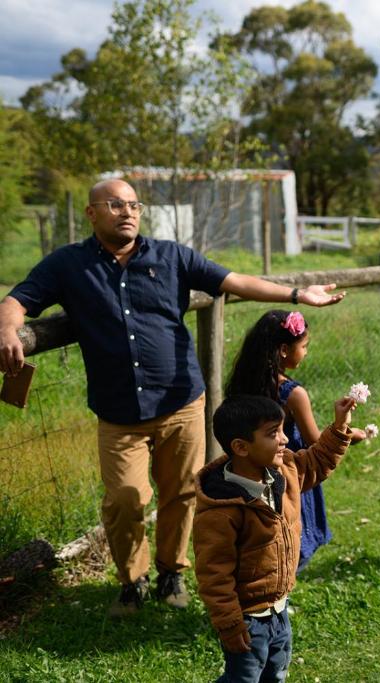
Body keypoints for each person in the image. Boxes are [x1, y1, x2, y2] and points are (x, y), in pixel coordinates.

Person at [0, 178, 346, 617]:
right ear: (92, 213)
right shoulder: (68, 265)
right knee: (125, 499)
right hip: (118, 411)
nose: (126, 212)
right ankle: (132, 581)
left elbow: (233, 280)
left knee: (182, 493)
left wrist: (298, 294)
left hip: (182, 403)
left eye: (133, 205)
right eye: (114, 204)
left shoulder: (171, 256)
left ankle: (171, 573)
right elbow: (17, 300)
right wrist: (7, 327)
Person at [195, 393, 355, 683]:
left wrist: (340, 424)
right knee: (242, 679)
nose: (284, 439)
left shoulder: (285, 470)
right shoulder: (221, 510)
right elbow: (213, 574)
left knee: (276, 676)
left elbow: (318, 460)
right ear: (241, 447)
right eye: (273, 434)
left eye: (282, 430)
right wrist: (230, 624)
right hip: (247, 621)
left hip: (280, 612)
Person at [224, 309, 365, 572]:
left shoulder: (243, 384)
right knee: (290, 543)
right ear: (284, 350)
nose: (307, 352)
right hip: (290, 473)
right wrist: (346, 430)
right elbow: (315, 442)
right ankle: (277, 600)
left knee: (259, 543)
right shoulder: (292, 393)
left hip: (249, 473)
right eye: (304, 346)